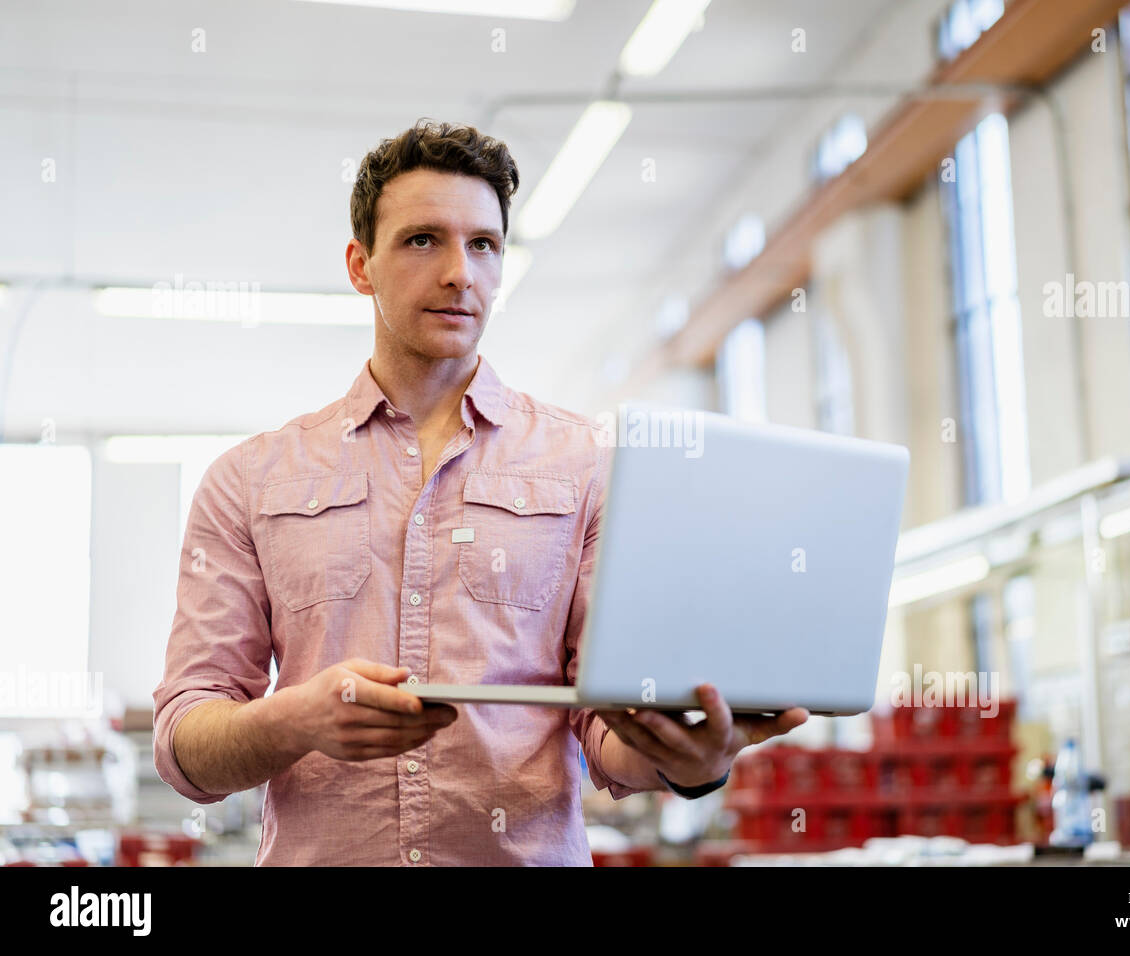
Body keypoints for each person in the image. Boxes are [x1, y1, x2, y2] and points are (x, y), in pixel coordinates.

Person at [152, 119, 809, 865]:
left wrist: (687, 761)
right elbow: (185, 745)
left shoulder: (588, 465)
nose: (461, 272)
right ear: (360, 265)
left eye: (484, 245)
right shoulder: (250, 479)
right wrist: (295, 722)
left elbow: (606, 734)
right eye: (423, 240)